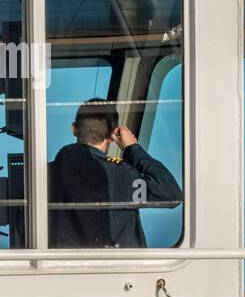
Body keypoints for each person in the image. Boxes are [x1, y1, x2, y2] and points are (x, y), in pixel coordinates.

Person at [49, 98, 183, 248]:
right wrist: (132, 148)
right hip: (118, 269)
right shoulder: (121, 176)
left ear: (74, 129)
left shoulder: (46, 174)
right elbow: (171, 193)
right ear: (112, 136)